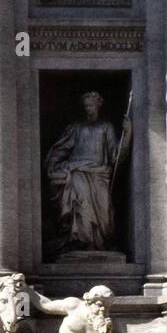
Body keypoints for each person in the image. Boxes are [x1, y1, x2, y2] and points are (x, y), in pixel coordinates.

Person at [44, 91, 130, 250]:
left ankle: (99, 242)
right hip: (77, 170)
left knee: (104, 211)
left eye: (91, 105)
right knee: (81, 203)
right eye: (86, 106)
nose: (88, 108)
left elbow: (115, 156)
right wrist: (53, 163)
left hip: (99, 174)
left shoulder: (106, 127)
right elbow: (61, 149)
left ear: (98, 106)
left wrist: (128, 133)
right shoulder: (76, 127)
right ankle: (81, 240)